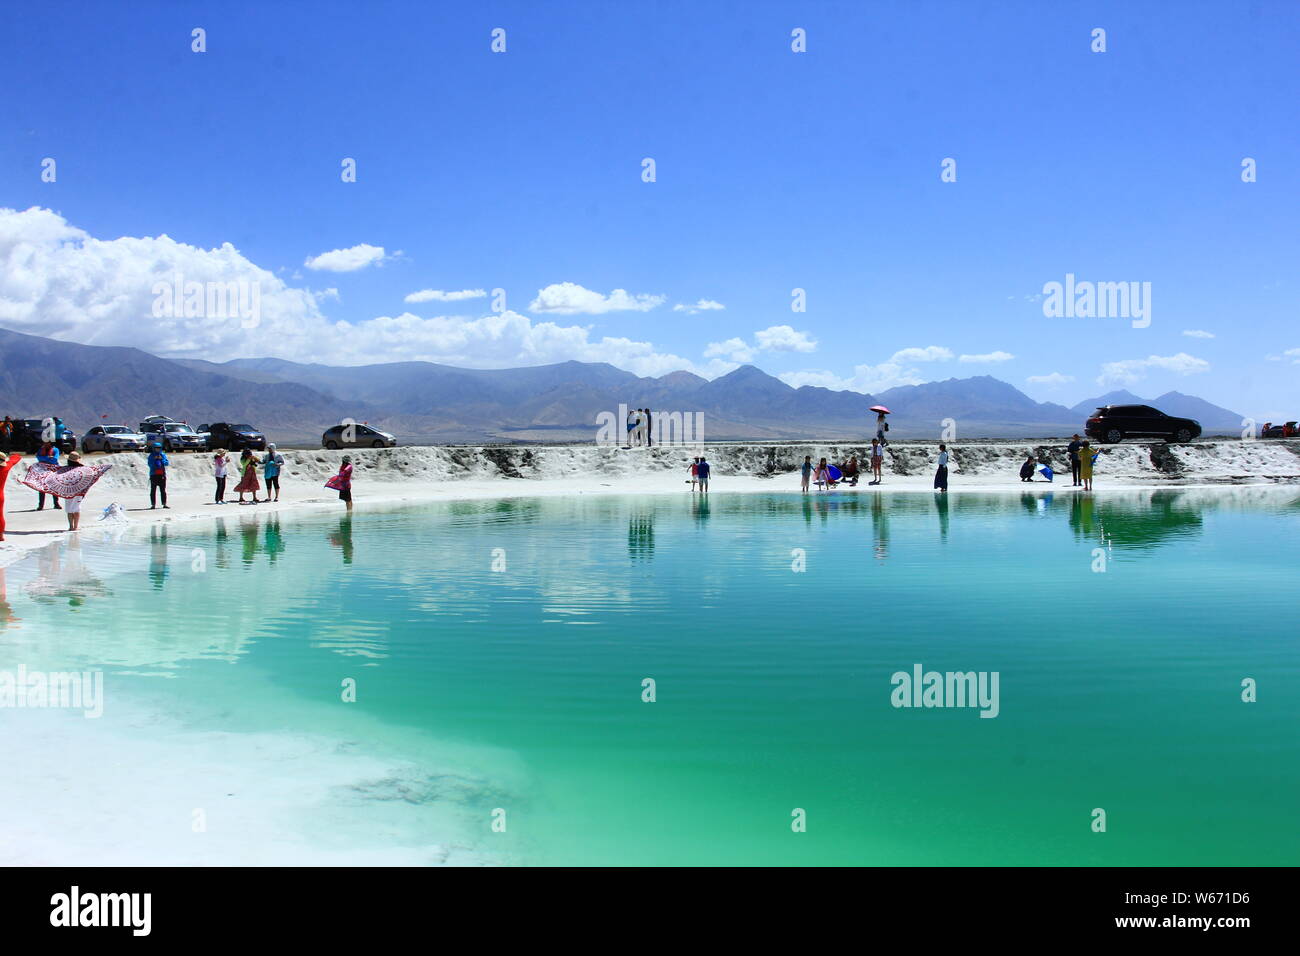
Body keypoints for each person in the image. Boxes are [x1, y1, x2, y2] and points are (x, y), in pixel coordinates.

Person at [60, 451, 87, 530]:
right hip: (78, 490)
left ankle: (71, 526)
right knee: (76, 508)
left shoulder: (64, 469)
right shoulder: (81, 469)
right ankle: (76, 526)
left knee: (69, 509)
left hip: (67, 490)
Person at [36, 440, 61, 510]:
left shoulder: (55, 450)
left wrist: (44, 459)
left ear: (50, 443)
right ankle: (41, 505)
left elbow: (55, 459)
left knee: (54, 487)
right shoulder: (41, 450)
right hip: (43, 470)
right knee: (42, 487)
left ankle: (56, 504)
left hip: (53, 470)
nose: (45, 444)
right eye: (44, 442)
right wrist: (49, 458)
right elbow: (38, 458)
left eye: (47, 442)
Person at [147, 444, 169, 509]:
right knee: (153, 490)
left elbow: (167, 463)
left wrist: (161, 460)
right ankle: (153, 504)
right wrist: (155, 460)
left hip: (162, 475)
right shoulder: (151, 455)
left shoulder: (163, 455)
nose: (158, 449)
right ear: (154, 448)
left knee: (163, 490)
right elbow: (150, 464)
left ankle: (164, 503)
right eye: (156, 448)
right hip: (154, 474)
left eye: (159, 448)